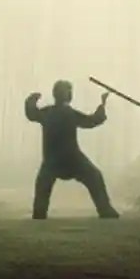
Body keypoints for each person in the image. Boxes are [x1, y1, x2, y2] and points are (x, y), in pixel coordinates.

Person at [24, 80, 120, 220]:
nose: (69, 94)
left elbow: (32, 113)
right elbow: (92, 121)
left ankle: (39, 213)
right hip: (70, 159)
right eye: (67, 91)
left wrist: (31, 100)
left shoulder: (49, 112)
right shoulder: (66, 113)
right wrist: (102, 104)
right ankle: (105, 209)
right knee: (94, 177)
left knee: (43, 186)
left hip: (56, 159)